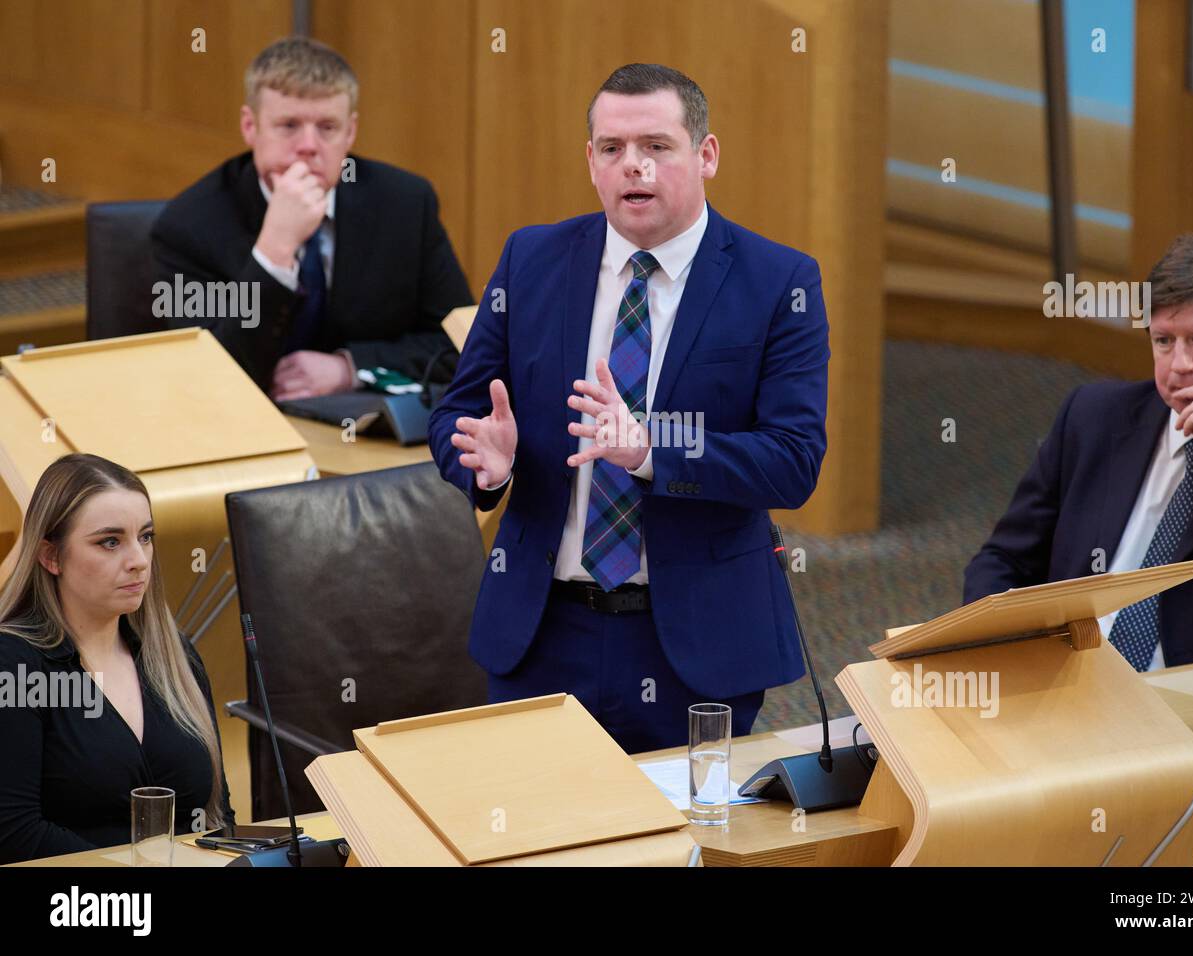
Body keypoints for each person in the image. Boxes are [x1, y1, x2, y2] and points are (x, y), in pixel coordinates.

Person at [430, 63, 830, 752]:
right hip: (541, 633)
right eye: (612, 149)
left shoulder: (779, 282)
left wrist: (649, 450)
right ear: (591, 162)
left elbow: (792, 462)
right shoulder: (532, 258)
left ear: (706, 155)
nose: (633, 167)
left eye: (657, 146)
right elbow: (458, 412)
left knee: (683, 847)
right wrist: (487, 464)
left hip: (693, 647)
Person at [965, 234, 1193, 670]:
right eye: (1163, 341)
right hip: (1068, 681)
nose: (1179, 364)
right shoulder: (1093, 416)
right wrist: (1002, 660)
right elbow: (1003, 560)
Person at [152, 36, 473, 400]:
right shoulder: (188, 225)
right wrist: (274, 252)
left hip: (367, 433)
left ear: (350, 131)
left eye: (327, 128)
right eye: (289, 125)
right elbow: (206, 378)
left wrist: (349, 367)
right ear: (250, 126)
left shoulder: (406, 204)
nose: (308, 145)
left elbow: (462, 344)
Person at [0, 454, 232, 864]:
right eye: (110, 542)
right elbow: (14, 833)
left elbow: (218, 817)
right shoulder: (16, 665)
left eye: (145, 536)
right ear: (50, 556)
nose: (139, 560)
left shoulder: (175, 656)